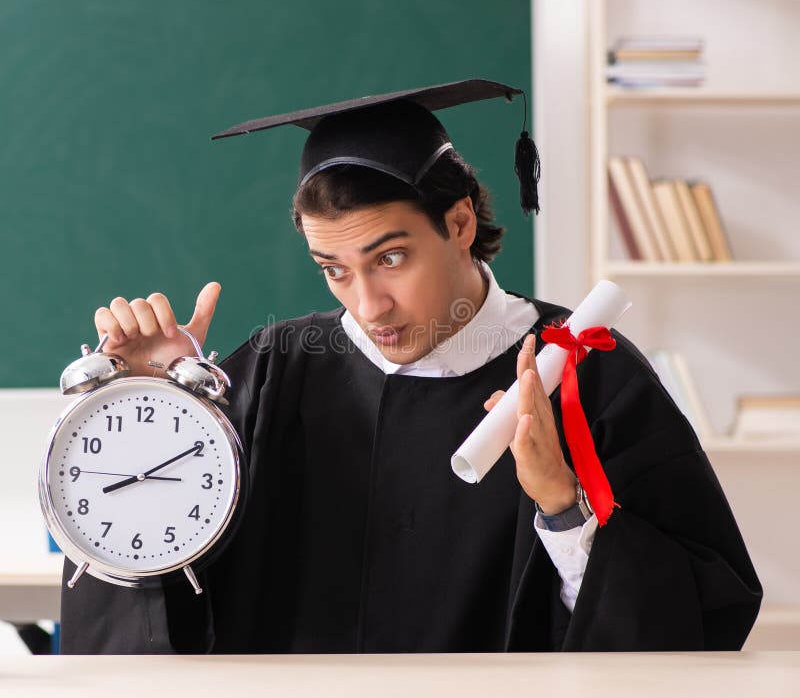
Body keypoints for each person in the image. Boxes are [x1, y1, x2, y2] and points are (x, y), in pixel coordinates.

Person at [59, 79, 761, 654]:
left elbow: (703, 615)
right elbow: (154, 570)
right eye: (334, 269)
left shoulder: (582, 372)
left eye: (390, 258)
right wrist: (147, 411)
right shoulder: (274, 371)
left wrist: (561, 506)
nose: (368, 304)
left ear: (458, 225)